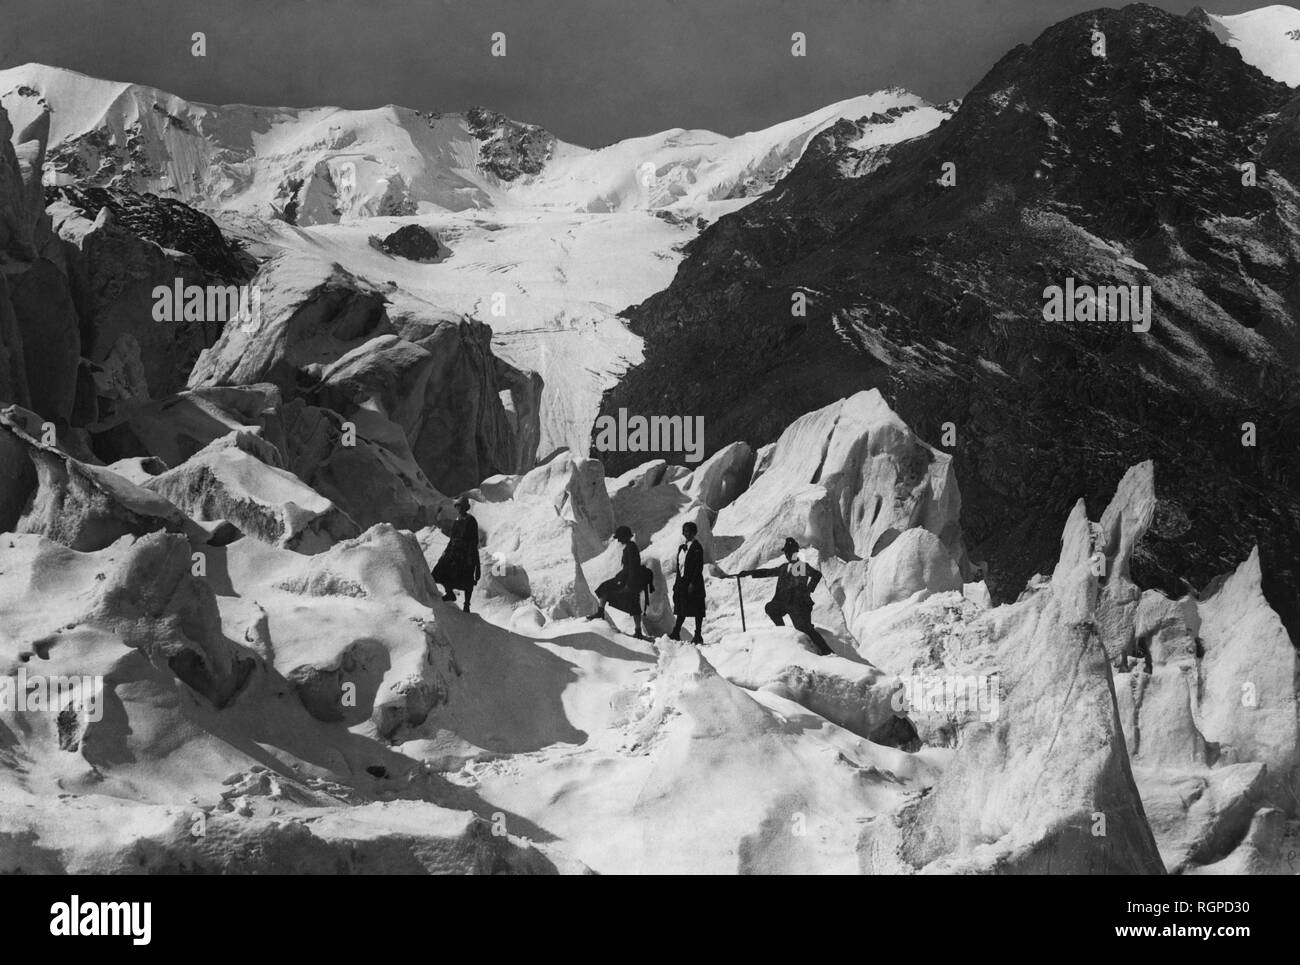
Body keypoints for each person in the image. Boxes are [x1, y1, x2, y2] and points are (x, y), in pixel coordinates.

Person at [736, 537, 832, 656]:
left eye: (789, 552)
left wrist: (808, 590)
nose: (787, 555)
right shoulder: (784, 567)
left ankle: (827, 652)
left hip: (799, 605)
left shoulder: (801, 566)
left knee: (805, 630)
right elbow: (767, 572)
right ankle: (783, 632)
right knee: (771, 608)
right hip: (785, 604)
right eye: (787, 552)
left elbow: (816, 575)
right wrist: (749, 573)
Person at [588, 525, 648, 639]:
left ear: (625, 536)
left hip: (629, 580)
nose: (618, 540)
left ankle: (601, 612)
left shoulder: (630, 548)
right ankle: (638, 631)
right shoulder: (630, 547)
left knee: (607, 588)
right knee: (633, 603)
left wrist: (627, 584)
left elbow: (632, 567)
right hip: (628, 578)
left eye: (620, 537)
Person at [433, 496, 481, 612]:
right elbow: (452, 538)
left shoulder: (471, 520)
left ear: (465, 507)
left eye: (460, 506)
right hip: (453, 552)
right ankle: (449, 593)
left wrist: (471, 555)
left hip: (466, 552)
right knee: (439, 571)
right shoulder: (457, 520)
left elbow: (474, 540)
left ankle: (467, 605)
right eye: (457, 506)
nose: (459, 508)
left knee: (467, 579)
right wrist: (446, 552)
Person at [671, 521, 706, 644]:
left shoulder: (697, 547)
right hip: (682, 582)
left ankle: (698, 635)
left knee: (697, 609)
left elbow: (698, 567)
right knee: (682, 607)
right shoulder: (681, 548)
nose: (687, 533)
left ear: (694, 533)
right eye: (685, 531)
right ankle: (676, 632)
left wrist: (693, 583)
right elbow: (679, 567)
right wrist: (676, 583)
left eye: (690, 531)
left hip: (694, 583)